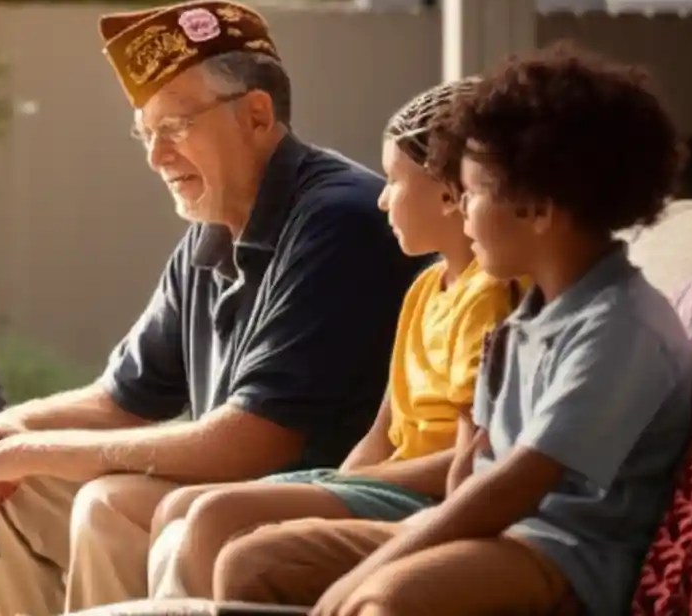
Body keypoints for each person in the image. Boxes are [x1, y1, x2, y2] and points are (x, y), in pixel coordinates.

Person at [0, 0, 428, 615]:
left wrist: (33, 449)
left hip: (312, 504)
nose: (156, 157)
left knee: (107, 504)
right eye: (145, 135)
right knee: (10, 490)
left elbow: (253, 443)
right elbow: (121, 400)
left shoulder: (338, 219)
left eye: (174, 128)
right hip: (238, 493)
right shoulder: (210, 233)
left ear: (256, 116)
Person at [209, 42, 692, 616]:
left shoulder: (621, 326)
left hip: (558, 555)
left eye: (475, 194)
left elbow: (518, 483)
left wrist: (377, 566)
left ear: (538, 209)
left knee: (386, 598)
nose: (461, 212)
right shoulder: (528, 316)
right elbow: (474, 464)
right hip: (486, 533)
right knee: (252, 562)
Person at [144, 78, 523, 599]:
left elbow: (469, 461)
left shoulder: (488, 297)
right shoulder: (422, 291)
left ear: (447, 193)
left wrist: (349, 487)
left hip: (424, 497)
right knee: (177, 507)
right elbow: (382, 430)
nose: (383, 199)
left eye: (394, 180)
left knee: (215, 513)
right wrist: (331, 482)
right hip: (384, 482)